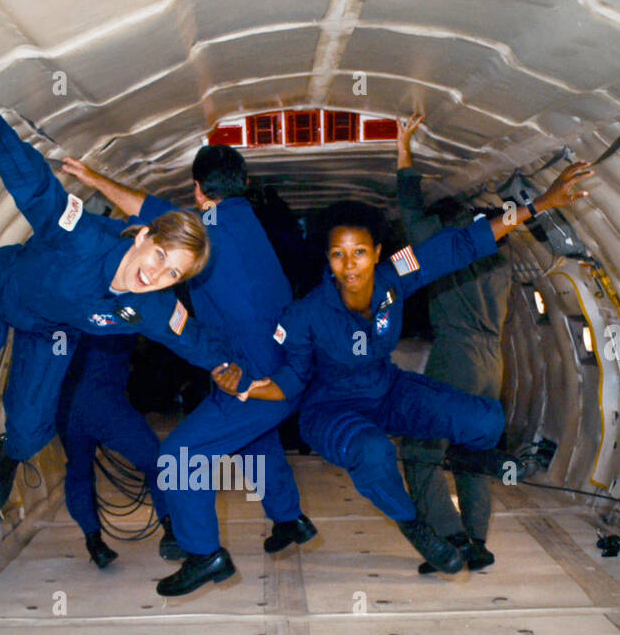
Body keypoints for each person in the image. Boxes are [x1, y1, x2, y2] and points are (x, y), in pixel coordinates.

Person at [0, 68, 243, 518]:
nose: (157, 274)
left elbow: (192, 337)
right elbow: (40, 191)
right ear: (142, 236)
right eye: (160, 255)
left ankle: (12, 455)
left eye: (173, 274)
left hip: (52, 329)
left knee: (29, 424)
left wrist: (229, 365)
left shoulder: (153, 306)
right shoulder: (81, 236)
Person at [233, 162, 595, 572]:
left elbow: (460, 245)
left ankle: (467, 458)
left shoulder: (393, 277)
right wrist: (249, 387)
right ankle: (417, 528)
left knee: (483, 419)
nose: (349, 266)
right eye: (338, 255)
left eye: (358, 253)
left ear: (376, 254)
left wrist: (541, 203)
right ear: (328, 259)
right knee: (374, 452)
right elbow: (290, 381)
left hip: (387, 391)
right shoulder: (307, 314)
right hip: (331, 409)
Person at [61, 145, 315, 598]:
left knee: (180, 456)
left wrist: (95, 179)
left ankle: (204, 553)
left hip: (248, 375)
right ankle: (289, 518)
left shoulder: (204, 229)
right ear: (245, 186)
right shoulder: (250, 224)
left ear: (199, 192)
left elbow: (148, 211)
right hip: (285, 368)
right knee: (255, 440)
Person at [395, 114, 514, 571]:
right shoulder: (500, 256)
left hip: (457, 357)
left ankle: (450, 538)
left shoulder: (449, 249)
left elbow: (411, 214)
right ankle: (478, 542)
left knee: (421, 450)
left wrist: (404, 151)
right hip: (493, 361)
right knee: (472, 451)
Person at [56, 333, 174, 568]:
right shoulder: (120, 306)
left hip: (64, 406)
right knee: (156, 459)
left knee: (79, 471)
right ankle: (172, 529)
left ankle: (94, 543)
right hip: (103, 402)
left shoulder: (64, 308)